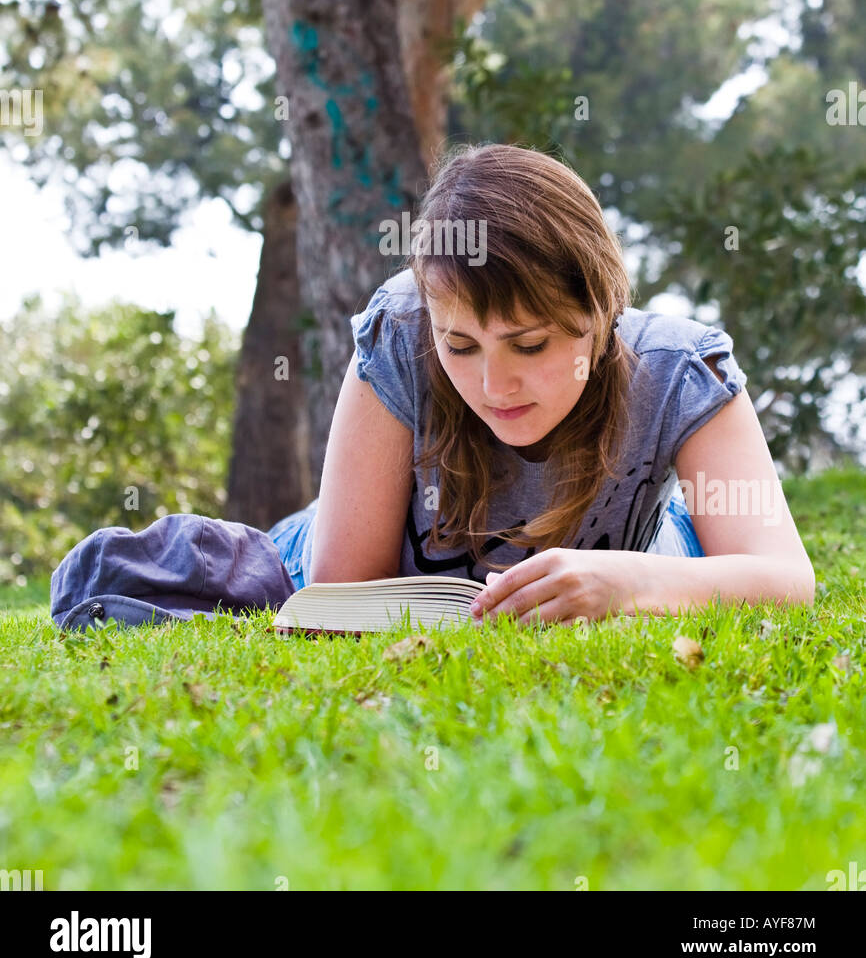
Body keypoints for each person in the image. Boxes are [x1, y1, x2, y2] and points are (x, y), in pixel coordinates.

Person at [270, 143, 814, 625]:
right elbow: (340, 594)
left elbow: (785, 578)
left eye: (528, 345)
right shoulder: (401, 327)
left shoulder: (681, 371)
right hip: (308, 535)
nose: (494, 386)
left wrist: (625, 584)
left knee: (687, 539)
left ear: (602, 313)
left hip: (661, 537)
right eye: (459, 346)